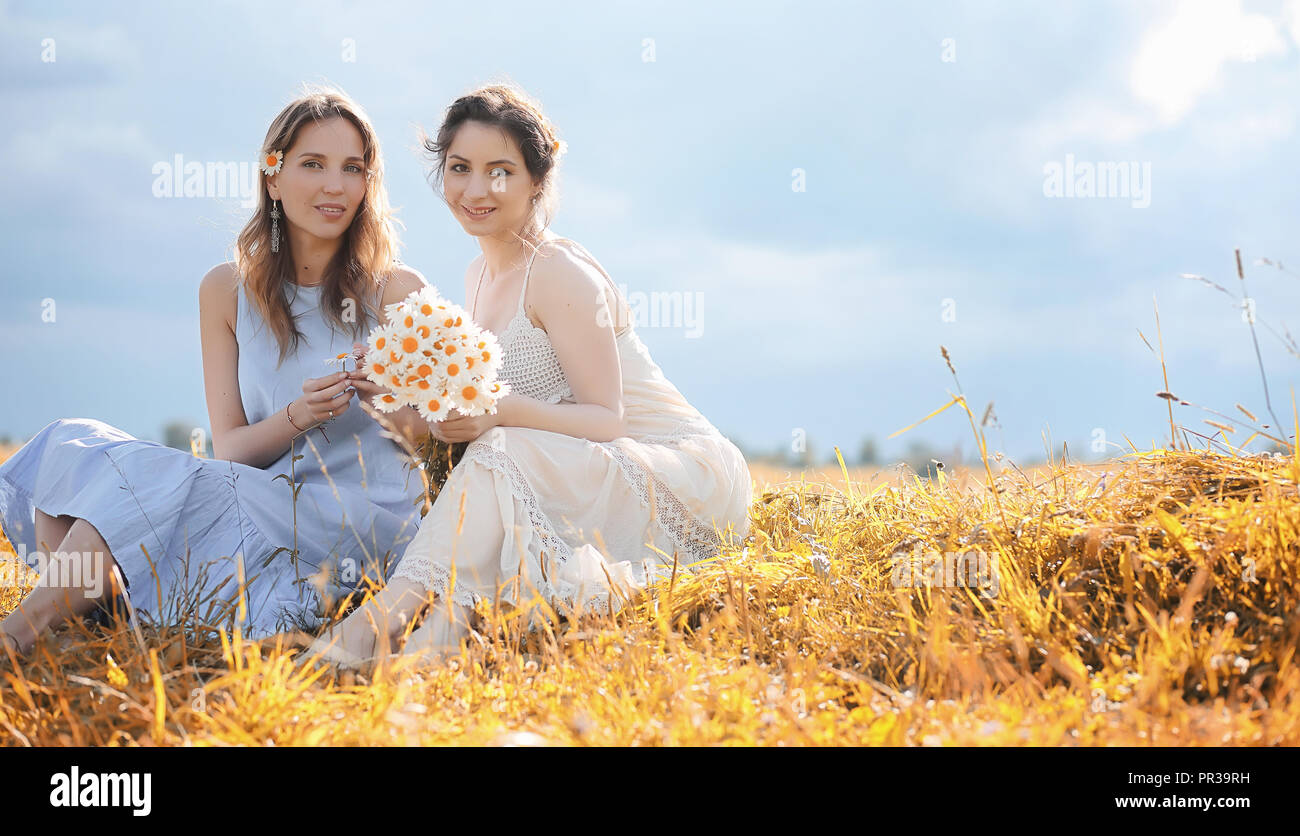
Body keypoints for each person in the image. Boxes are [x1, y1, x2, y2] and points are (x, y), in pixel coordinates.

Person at [302, 82, 752, 668]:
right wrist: (398, 398)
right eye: (460, 168)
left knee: (504, 448)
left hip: (677, 472)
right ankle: (425, 648)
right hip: (563, 468)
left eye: (501, 171)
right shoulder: (475, 278)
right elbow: (479, 423)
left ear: (537, 180)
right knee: (499, 456)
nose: (475, 189)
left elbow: (607, 420)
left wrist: (498, 413)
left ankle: (376, 626)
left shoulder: (559, 273)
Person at [0, 86, 430, 654]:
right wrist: (298, 416)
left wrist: (384, 396)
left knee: (145, 487)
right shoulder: (225, 289)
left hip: (361, 520)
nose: (335, 185)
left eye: (353, 168)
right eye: (313, 164)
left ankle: (20, 634)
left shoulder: (398, 292)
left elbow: (428, 438)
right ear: (272, 178)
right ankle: (99, 613)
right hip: (257, 496)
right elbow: (229, 448)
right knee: (77, 449)